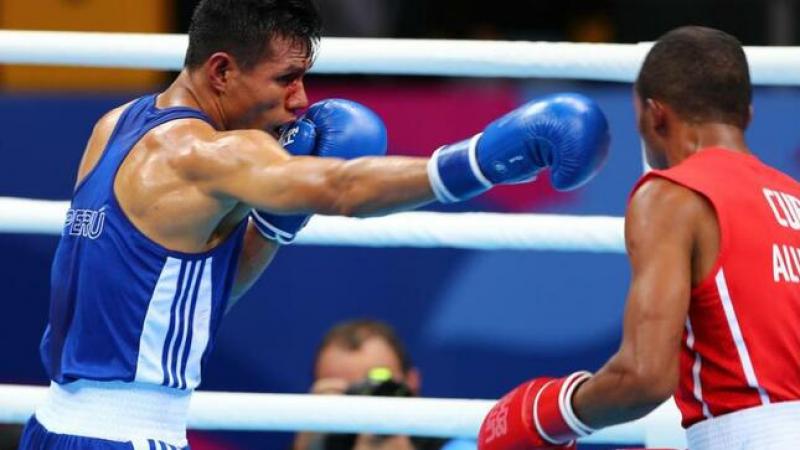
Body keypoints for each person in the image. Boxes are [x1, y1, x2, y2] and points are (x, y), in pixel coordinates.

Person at [18, 0, 610, 448]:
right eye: (285, 78)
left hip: (53, 424)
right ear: (221, 71)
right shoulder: (211, 154)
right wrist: (480, 161)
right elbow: (342, 187)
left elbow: (176, 299)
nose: (302, 100)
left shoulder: (116, 124)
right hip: (128, 435)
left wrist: (275, 224)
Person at [477, 26, 800, 450]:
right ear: (747, 116)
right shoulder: (793, 198)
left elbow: (643, 377)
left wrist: (549, 413)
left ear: (654, 115)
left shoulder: (672, 195)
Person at [294, 319, 474, 450]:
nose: (362, 402)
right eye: (346, 392)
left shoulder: (458, 445)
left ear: (412, 381)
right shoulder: (312, 442)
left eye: (376, 384)